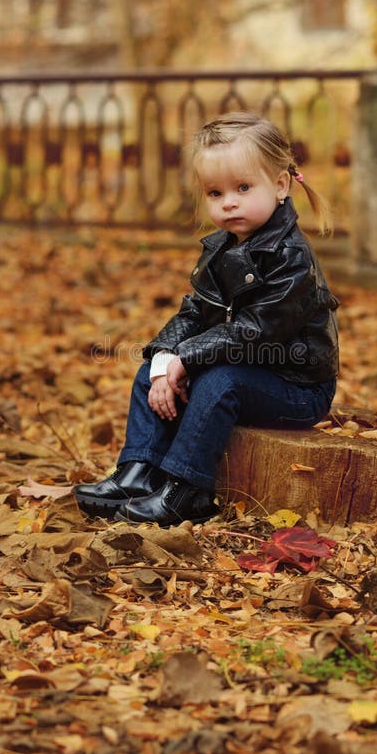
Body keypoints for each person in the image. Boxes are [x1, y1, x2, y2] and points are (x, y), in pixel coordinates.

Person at [74, 112, 339, 527]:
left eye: (243, 188)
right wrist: (165, 360)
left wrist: (190, 359)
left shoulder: (291, 258)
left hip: (296, 386)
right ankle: (138, 472)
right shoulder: (221, 247)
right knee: (150, 371)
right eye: (215, 192)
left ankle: (187, 490)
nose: (228, 201)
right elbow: (196, 310)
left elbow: (255, 331)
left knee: (219, 381)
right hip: (248, 369)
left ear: (281, 185)